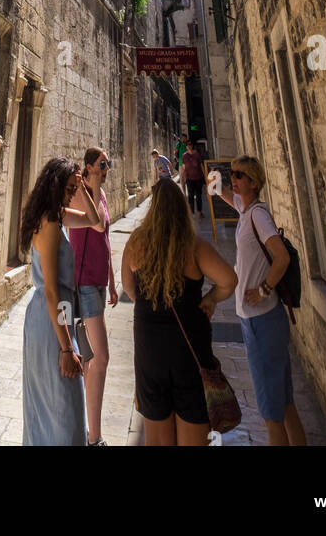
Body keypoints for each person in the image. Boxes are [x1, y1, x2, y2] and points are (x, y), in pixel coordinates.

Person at [121, 178, 237, 446]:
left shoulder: (136, 243)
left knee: (158, 437)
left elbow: (130, 289)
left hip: (150, 349)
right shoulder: (194, 246)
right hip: (189, 350)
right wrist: (209, 300)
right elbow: (229, 281)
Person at [214, 155, 306, 447]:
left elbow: (281, 256)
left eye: (239, 175)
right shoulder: (247, 209)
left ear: (254, 182)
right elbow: (232, 200)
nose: (234, 179)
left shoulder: (258, 216)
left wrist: (264, 288)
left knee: (270, 413)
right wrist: (217, 185)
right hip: (259, 321)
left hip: (263, 322)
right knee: (285, 403)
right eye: (232, 174)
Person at [20, 156, 105, 446]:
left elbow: (95, 221)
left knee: (59, 407)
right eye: (68, 188)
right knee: (63, 409)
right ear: (55, 186)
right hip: (52, 323)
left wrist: (82, 189)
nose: (71, 193)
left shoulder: (56, 215)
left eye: (73, 188)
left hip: (55, 319)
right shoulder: (51, 224)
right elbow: (52, 292)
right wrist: (67, 348)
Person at [69, 147, 118, 447]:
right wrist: (95, 184)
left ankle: (88, 429)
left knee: (92, 360)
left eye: (107, 163)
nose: (106, 167)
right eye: (102, 163)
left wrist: (113, 281)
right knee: (101, 358)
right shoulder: (80, 193)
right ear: (89, 166)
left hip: (98, 282)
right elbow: (96, 223)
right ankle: (94, 437)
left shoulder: (101, 194)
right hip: (84, 281)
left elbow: (106, 236)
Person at [181, 139, 206, 218]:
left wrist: (205, 175)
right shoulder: (184, 156)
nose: (189, 146)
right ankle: (191, 212)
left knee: (199, 195)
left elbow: (201, 165)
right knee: (191, 196)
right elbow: (184, 167)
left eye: (190, 144)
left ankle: (200, 211)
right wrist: (182, 177)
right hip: (189, 179)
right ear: (186, 146)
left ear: (192, 146)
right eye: (187, 145)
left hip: (198, 178)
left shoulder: (197, 154)